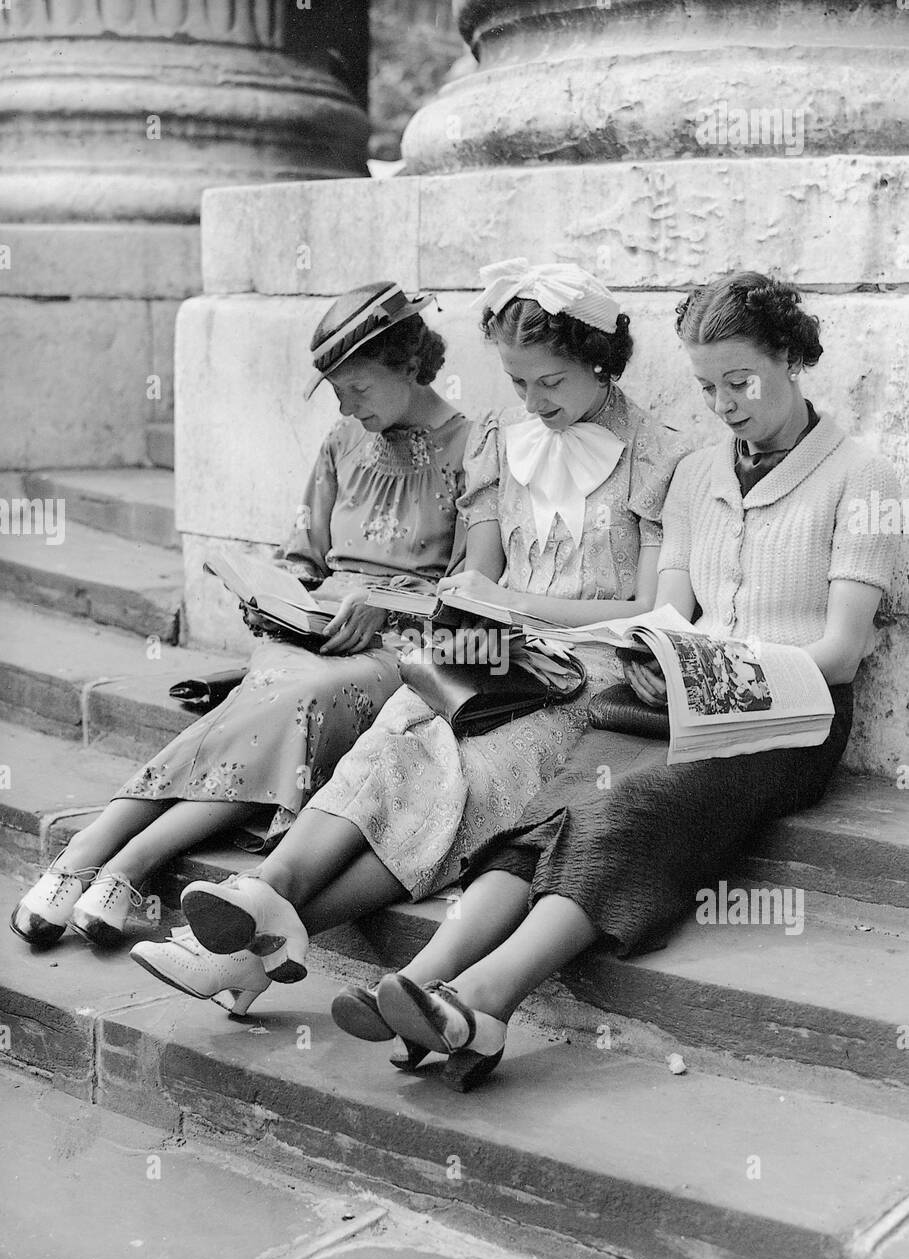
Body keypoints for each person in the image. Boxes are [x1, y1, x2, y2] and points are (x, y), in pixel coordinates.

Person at [343, 270, 901, 1090]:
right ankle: (422, 979)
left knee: (632, 809)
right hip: (677, 692)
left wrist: (724, 667)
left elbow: (841, 653)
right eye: (707, 386)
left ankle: (484, 1001)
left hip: (792, 714)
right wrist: (655, 650)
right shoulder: (698, 472)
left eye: (740, 381)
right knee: (552, 810)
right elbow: (669, 611)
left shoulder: (863, 477)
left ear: (790, 356)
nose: (725, 405)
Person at [168, 258, 687, 1021]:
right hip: (495, 649)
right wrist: (476, 609)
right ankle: (268, 889)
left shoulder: (659, 456)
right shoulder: (500, 447)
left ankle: (250, 950)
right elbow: (472, 580)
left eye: (551, 383)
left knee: (464, 776)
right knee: (400, 729)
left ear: (600, 363)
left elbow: (650, 609)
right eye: (518, 384)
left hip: (591, 670)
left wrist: (504, 601)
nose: (533, 402)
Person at [11, 282, 471, 1003]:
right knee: (279, 685)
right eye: (337, 393)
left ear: (410, 363)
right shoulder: (343, 442)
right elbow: (304, 550)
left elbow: (476, 591)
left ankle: (112, 861)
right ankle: (99, 863)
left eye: (357, 387)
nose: (347, 407)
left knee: (299, 696)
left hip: (402, 651)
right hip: (312, 636)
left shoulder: (474, 449)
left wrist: (383, 605)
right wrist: (275, 594)